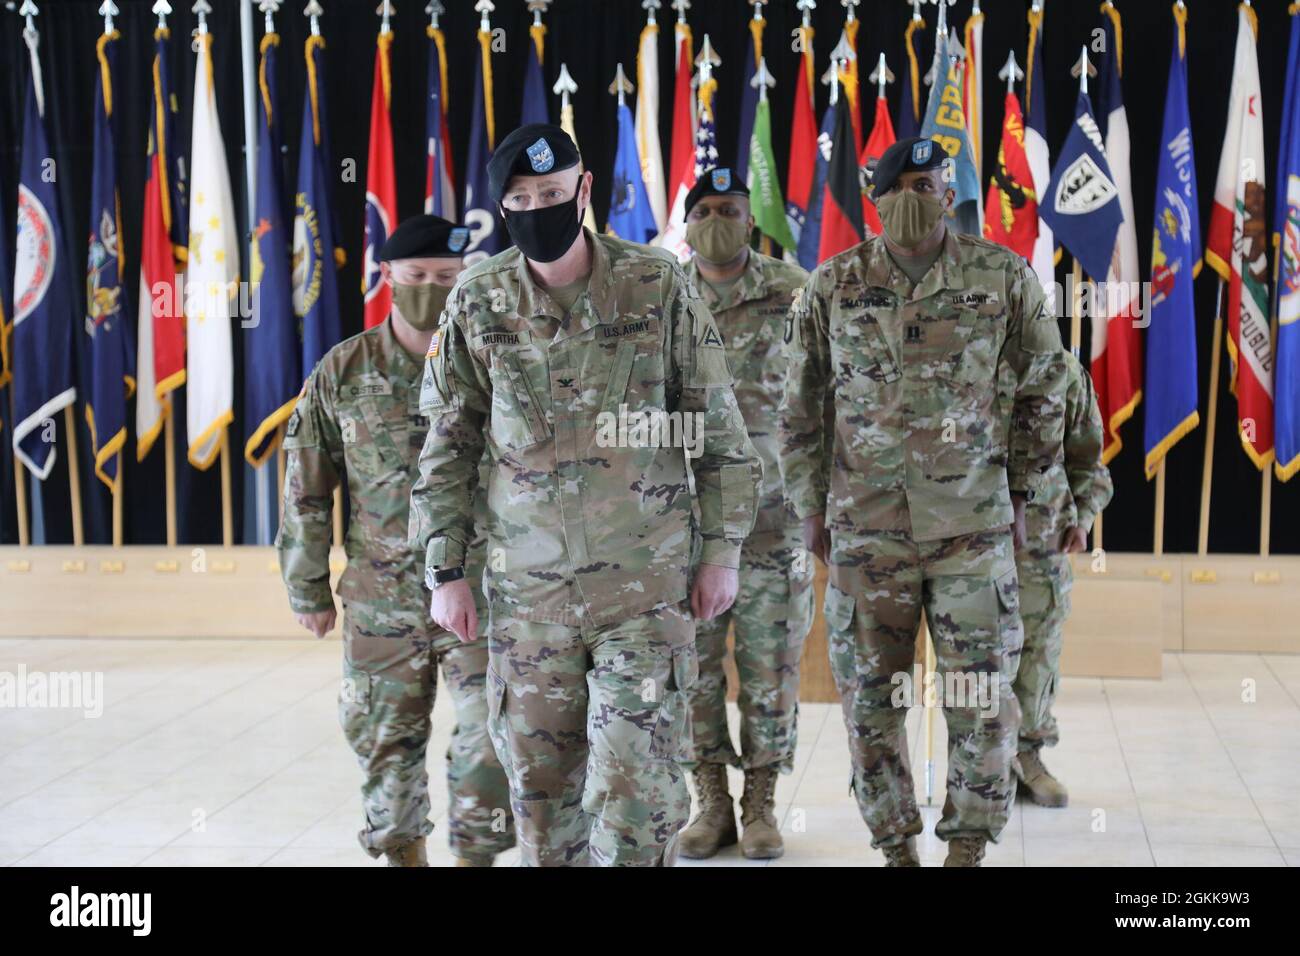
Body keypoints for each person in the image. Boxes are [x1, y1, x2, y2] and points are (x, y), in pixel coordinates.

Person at [408, 123, 763, 867]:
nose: (540, 206)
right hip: (528, 597)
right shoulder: (477, 300)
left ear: (585, 189)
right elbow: (447, 447)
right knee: (543, 799)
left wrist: (721, 554)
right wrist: (445, 572)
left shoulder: (657, 284)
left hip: (643, 589)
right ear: (504, 208)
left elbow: (715, 429)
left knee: (636, 789)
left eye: (553, 193)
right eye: (523, 198)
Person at [778, 137, 1066, 867]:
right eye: (902, 184)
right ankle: (896, 846)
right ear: (875, 198)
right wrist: (808, 506)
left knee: (981, 701)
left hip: (972, 531)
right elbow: (799, 406)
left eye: (931, 182)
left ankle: (968, 845)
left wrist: (1027, 489)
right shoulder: (832, 285)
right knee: (871, 704)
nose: (917, 195)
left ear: (951, 191)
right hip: (866, 532)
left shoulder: (1001, 275)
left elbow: (1045, 386)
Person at [277, 215, 514, 867]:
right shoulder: (343, 371)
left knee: (492, 734)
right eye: (417, 278)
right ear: (387, 278)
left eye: (447, 277)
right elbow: (307, 486)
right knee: (386, 743)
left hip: (483, 593)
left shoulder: (498, 363)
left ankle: (477, 856)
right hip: (383, 600)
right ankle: (404, 856)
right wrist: (307, 586)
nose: (432, 289)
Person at [675, 168, 814, 861]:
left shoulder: (797, 293)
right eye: (704, 209)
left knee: (772, 672)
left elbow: (833, 396)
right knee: (692, 674)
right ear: (686, 220)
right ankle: (711, 803)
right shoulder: (663, 297)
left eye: (730, 208)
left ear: (751, 216)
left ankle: (760, 803)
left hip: (775, 524)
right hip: (686, 531)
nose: (717, 218)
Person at [1011, 350, 1112, 807]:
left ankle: (1027, 755)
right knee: (971, 658)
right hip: (966, 539)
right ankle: (977, 766)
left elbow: (1088, 454)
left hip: (1041, 536)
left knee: (1036, 650)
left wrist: (1084, 516)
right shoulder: (958, 351)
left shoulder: (1060, 368)